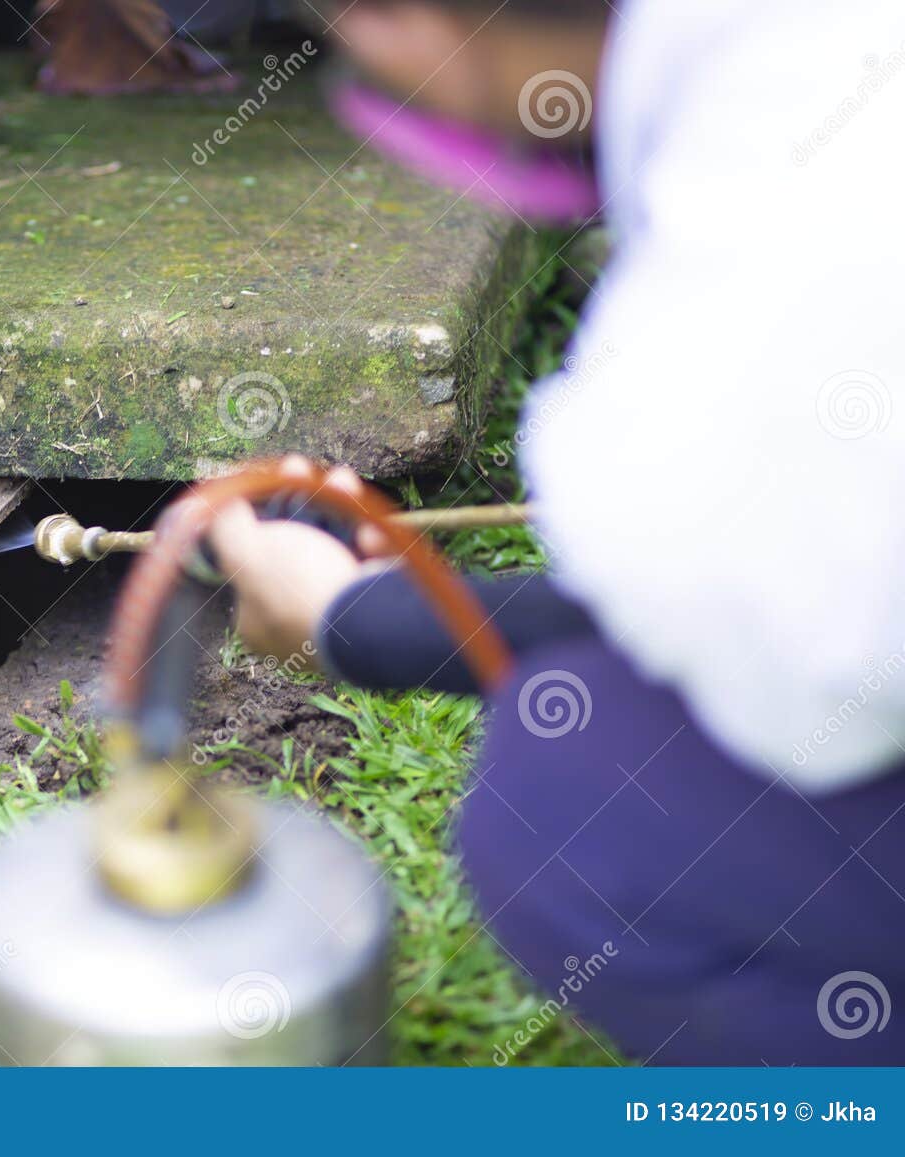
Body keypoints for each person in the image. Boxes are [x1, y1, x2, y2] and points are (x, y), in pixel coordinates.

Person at [207, 0, 905, 1064]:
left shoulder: (793, 237)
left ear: (391, 20)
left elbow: (795, 661)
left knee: (575, 802)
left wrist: (346, 616)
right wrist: (360, 616)